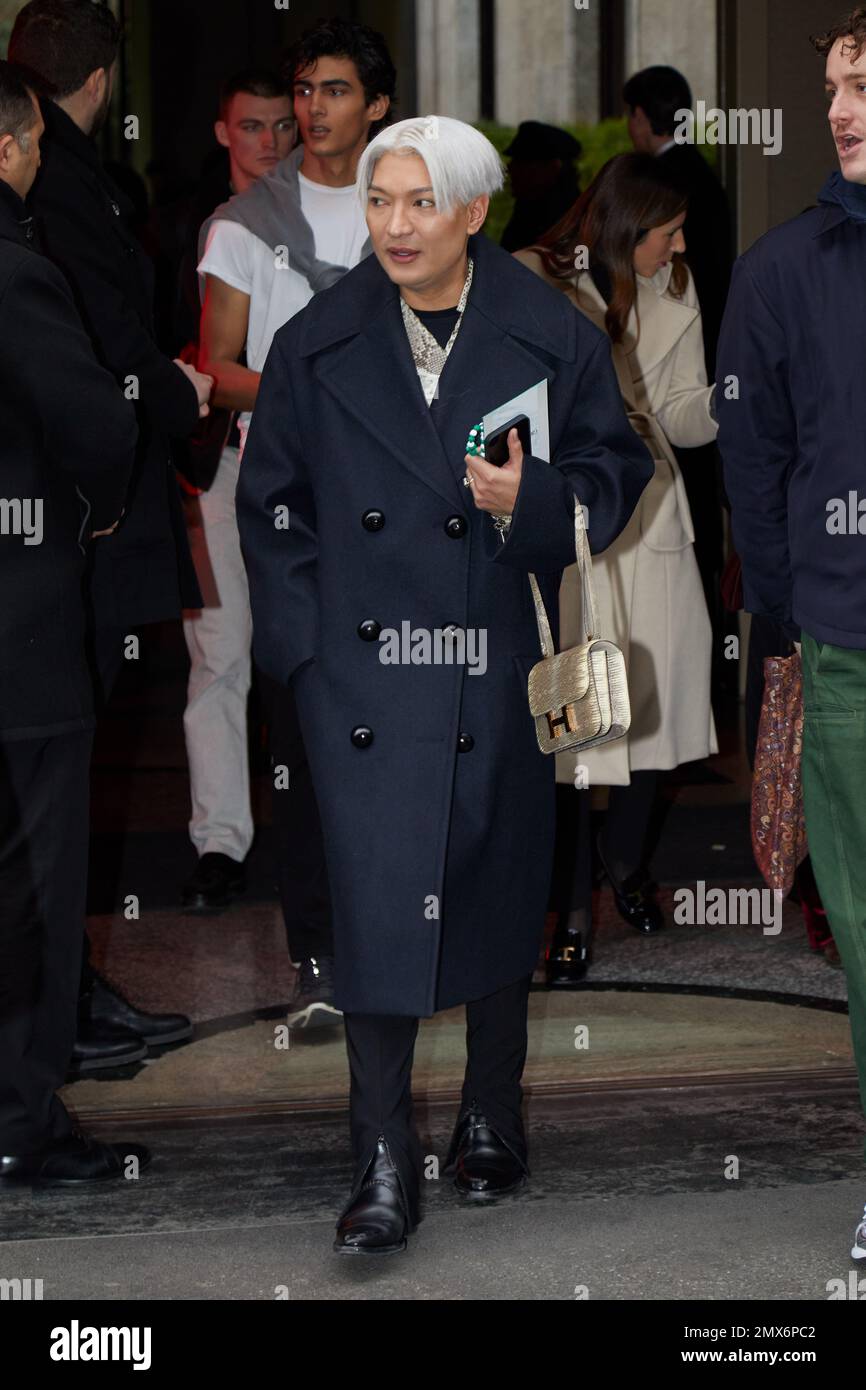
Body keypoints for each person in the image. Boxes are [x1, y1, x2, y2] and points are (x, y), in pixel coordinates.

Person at [237, 115, 653, 1255]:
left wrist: (536, 506)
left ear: (473, 212)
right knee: (376, 914)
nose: (395, 225)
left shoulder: (544, 332)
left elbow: (615, 470)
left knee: (497, 880)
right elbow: (271, 508)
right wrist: (306, 658)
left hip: (490, 656)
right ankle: (378, 1158)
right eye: (380, 201)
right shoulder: (316, 340)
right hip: (362, 681)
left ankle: (489, 1105)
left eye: (421, 203)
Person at [9, 0, 212, 1071]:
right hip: (68, 530)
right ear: (95, 82)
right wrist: (172, 402)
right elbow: (95, 355)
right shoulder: (58, 187)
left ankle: (64, 998)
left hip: (50, 527)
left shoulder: (61, 178)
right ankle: (57, 1016)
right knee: (59, 783)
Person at [197, 17, 395, 1029]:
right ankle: (317, 946)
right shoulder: (241, 223)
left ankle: (401, 930)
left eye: (330, 90)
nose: (310, 110)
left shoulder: (404, 214)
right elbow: (216, 369)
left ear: (377, 106)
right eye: (302, 91)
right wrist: (315, 398)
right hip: (281, 503)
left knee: (399, 712)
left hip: (397, 503)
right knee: (306, 720)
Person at [716, 6, 866, 1263]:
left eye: (862, 84)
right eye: (830, 84)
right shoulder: (778, 271)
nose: (837, 107)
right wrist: (790, 637)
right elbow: (754, 479)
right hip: (846, 648)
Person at [517, 153, 718, 985]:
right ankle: (566, 911)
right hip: (571, 513)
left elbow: (680, 411)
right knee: (576, 721)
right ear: (628, 226)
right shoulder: (535, 275)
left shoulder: (677, 287)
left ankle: (625, 863)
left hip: (654, 511)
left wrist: (739, 397)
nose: (678, 248)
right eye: (667, 233)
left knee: (654, 713)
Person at [0, 62, 147, 1184]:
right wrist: (87, 517)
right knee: (35, 882)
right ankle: (19, 1121)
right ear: (10, 149)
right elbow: (99, 425)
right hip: (20, 636)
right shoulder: (16, 270)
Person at [175, 69, 295, 917]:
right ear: (224, 133)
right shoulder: (199, 227)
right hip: (217, 462)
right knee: (221, 654)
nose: (270, 141)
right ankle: (220, 841)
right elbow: (187, 366)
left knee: (301, 656)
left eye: (282, 125)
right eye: (252, 126)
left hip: (299, 461)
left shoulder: (324, 218)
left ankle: (306, 829)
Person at [624, 65, 733, 686]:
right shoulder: (701, 176)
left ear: (642, 117)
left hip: (691, 376)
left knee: (687, 536)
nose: (678, 244)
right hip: (701, 371)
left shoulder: (667, 186)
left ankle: (697, 683)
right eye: (669, 235)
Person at [499, 120, 582, 253]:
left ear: (553, 167)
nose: (510, 168)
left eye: (522, 163)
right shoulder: (527, 210)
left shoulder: (567, 221)